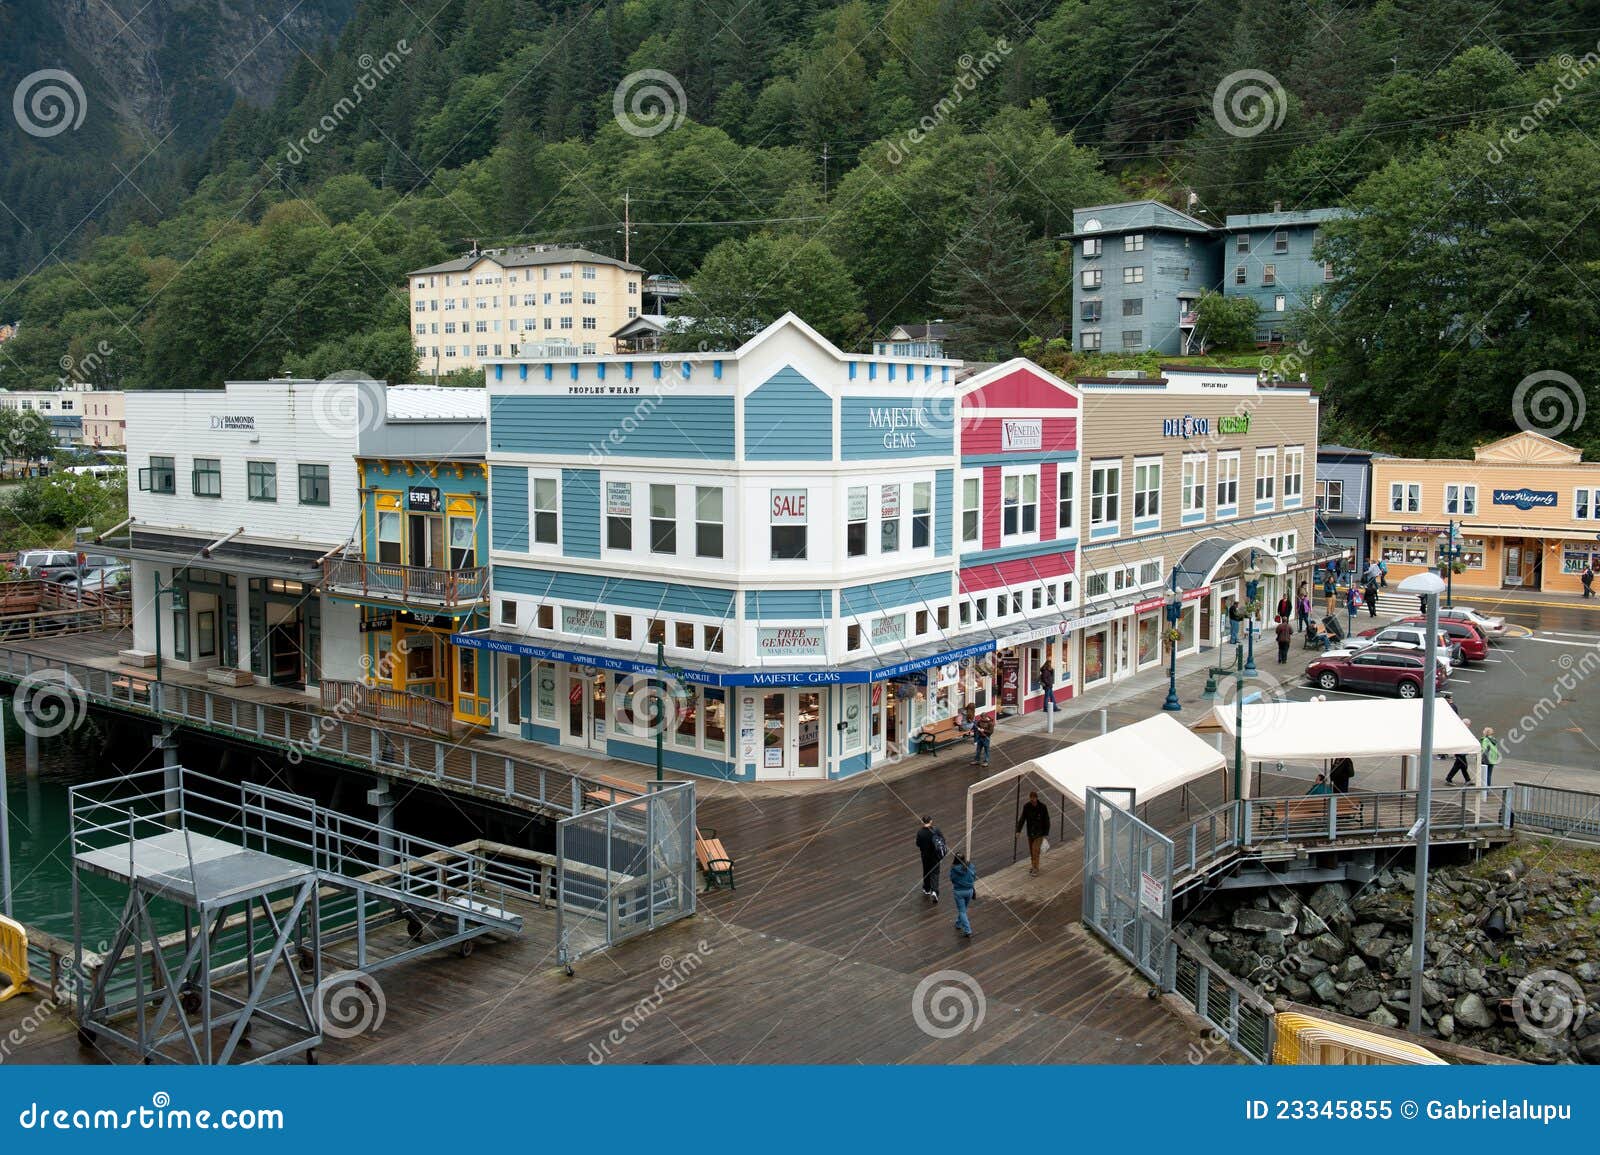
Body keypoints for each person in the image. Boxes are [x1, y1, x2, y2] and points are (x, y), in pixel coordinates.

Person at [1017, 790, 1050, 875]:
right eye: (1031, 799)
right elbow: (1022, 819)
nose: (1032, 800)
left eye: (1033, 798)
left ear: (1036, 798)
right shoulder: (1026, 807)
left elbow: (1046, 820)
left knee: (1035, 850)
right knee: (1032, 851)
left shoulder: (1043, 807)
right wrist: (1018, 830)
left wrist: (1045, 833)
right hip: (1030, 832)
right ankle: (1033, 865)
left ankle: (1036, 868)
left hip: (1039, 833)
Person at [916, 815, 947, 901]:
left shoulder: (920, 832)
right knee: (935, 873)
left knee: (926, 871)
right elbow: (943, 840)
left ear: (922, 822)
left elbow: (918, 844)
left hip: (925, 856)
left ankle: (927, 889)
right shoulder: (936, 830)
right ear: (931, 821)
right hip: (935, 856)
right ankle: (934, 891)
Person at [950, 853, 977, 938]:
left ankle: (968, 930)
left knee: (962, 911)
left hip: (959, 892)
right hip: (969, 891)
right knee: (963, 909)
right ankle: (958, 923)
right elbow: (974, 876)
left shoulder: (953, 869)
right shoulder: (970, 866)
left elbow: (952, 879)